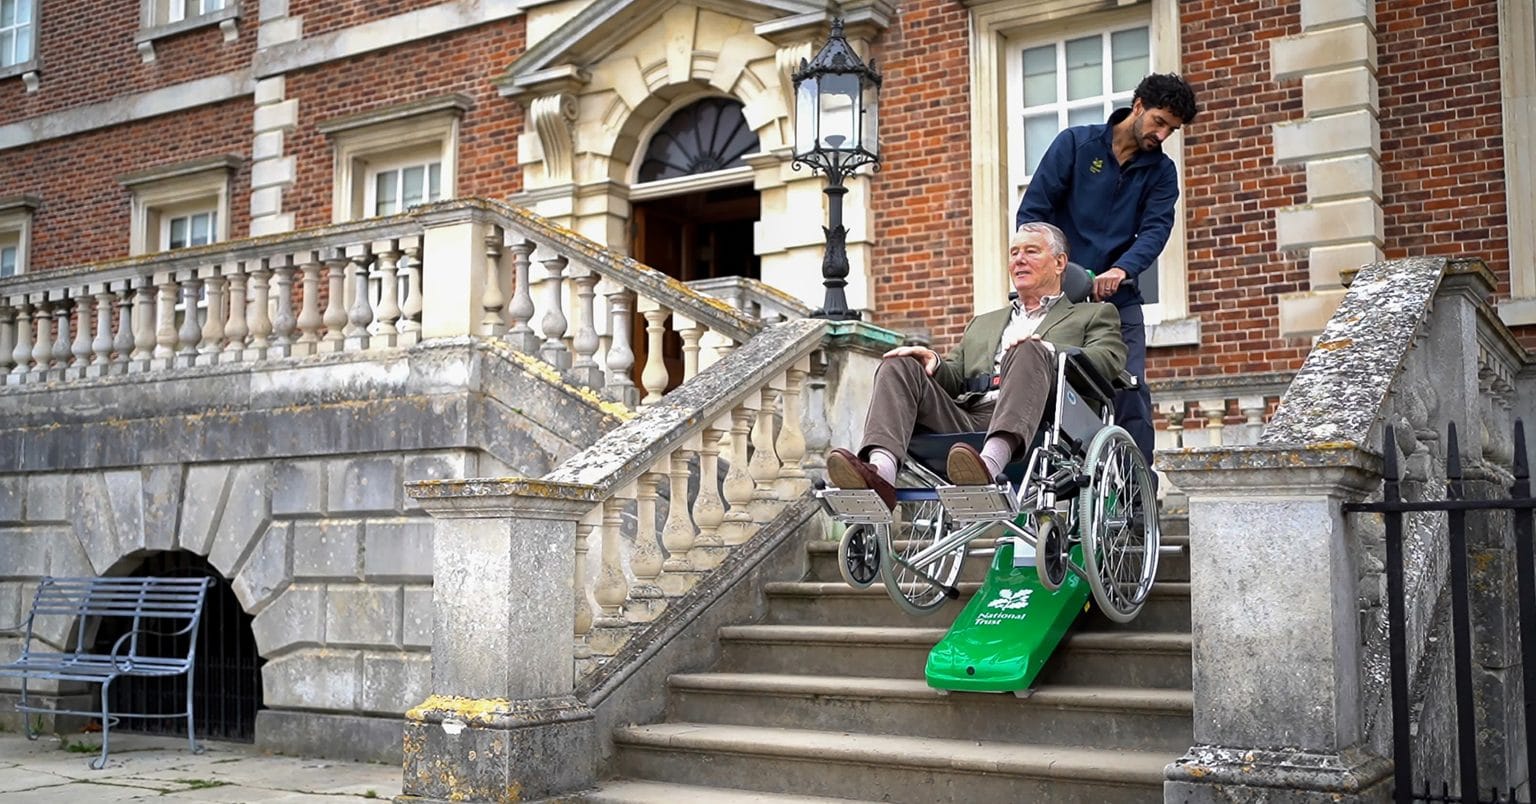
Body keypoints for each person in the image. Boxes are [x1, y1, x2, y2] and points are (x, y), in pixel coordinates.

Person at [827, 222, 1127, 506]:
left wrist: (1048, 350)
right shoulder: (984, 323)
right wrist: (933, 362)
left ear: (1060, 263)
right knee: (900, 364)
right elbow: (955, 376)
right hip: (969, 419)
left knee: (1027, 349)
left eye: (1031, 251)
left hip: (1042, 421)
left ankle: (989, 464)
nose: (1019, 260)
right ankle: (881, 474)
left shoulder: (1093, 315)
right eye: (1014, 253)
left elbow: (1109, 361)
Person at [1015, 72, 1199, 472]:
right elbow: (1033, 214)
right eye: (1159, 122)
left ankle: (1135, 497)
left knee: (1130, 389)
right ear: (1138, 107)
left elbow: (1155, 230)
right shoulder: (1076, 145)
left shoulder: (1161, 173)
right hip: (1058, 296)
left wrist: (1122, 269)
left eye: (1172, 129)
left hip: (1119, 301)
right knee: (1034, 385)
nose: (1163, 135)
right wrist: (1054, 267)